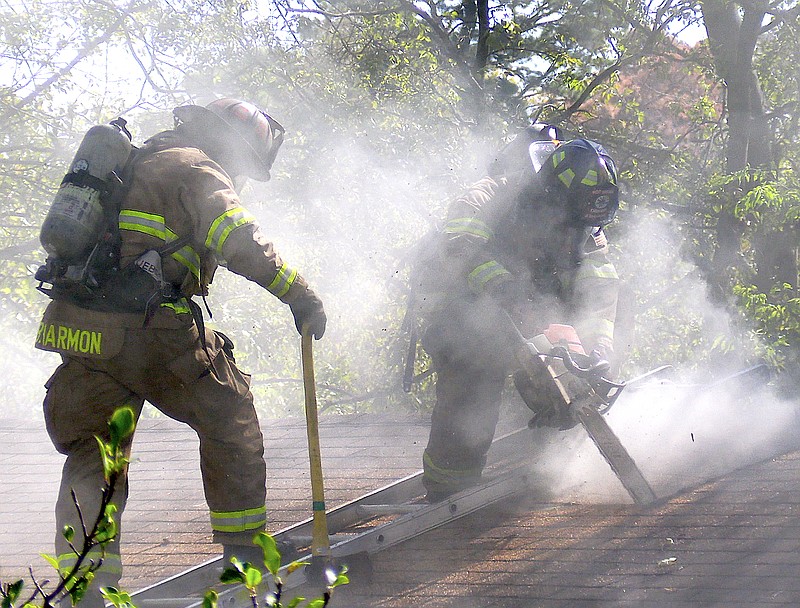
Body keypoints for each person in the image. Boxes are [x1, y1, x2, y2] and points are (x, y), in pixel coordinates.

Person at [34, 98, 327, 606]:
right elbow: (238, 239)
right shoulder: (197, 168)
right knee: (228, 414)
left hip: (79, 325)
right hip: (147, 328)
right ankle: (245, 558)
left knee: (95, 451)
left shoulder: (136, 161)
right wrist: (297, 292)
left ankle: (83, 585)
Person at [411, 124, 621, 502]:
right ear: (552, 196)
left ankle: (557, 450)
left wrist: (600, 345)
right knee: (475, 367)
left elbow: (601, 287)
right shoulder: (488, 198)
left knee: (576, 366)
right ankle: (449, 486)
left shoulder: (584, 216)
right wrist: (511, 296)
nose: (577, 229)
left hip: (533, 306)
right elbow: (461, 254)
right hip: (461, 305)